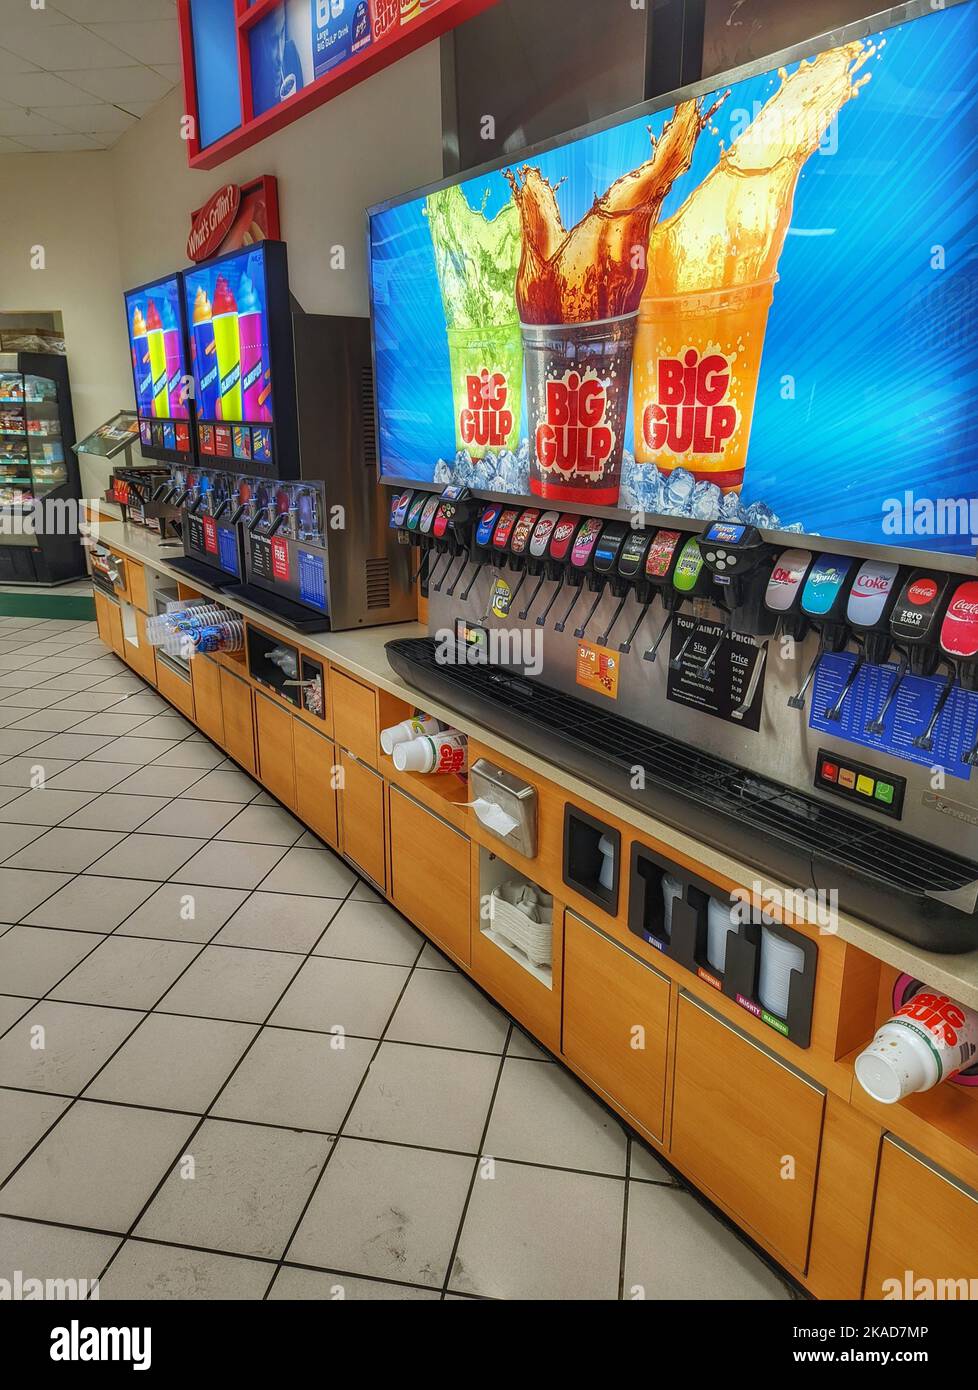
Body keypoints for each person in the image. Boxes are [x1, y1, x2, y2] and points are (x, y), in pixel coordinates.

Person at [252, 4, 305, 116]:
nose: (279, 56)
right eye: (272, 42)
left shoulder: (291, 55)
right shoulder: (254, 94)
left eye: (282, 34)